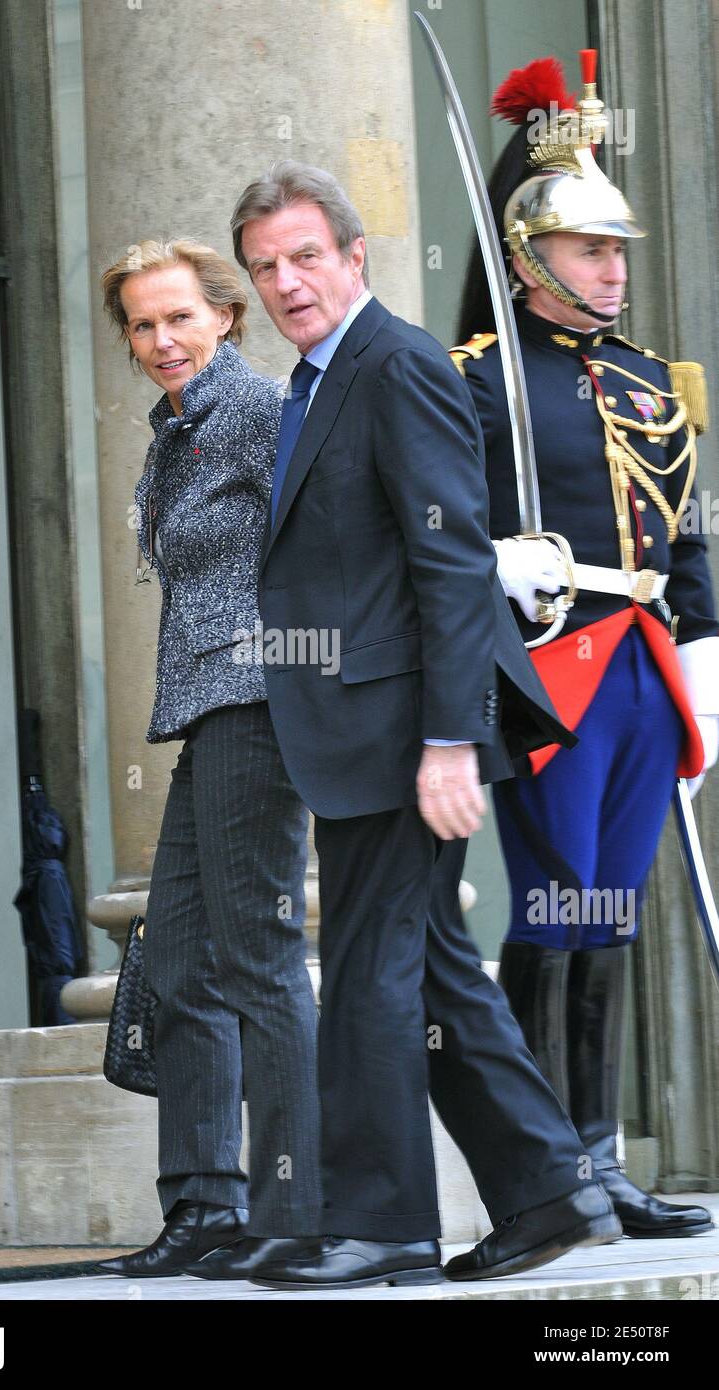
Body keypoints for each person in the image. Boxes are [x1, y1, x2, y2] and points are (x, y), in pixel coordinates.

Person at [213, 159, 622, 1291]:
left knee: (372, 975)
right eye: (264, 266)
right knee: (433, 967)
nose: (287, 281)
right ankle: (550, 1192)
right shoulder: (313, 378)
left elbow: (451, 564)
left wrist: (449, 740)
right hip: (368, 732)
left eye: (305, 255)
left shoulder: (394, 364)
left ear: (353, 256)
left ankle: (383, 1225)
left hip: (406, 734)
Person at [446, 55, 716, 1238]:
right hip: (549, 662)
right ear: (528, 257)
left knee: (609, 907)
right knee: (552, 907)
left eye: (616, 251)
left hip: (646, 665)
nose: (612, 269)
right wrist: (493, 564)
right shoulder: (474, 379)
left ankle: (601, 1159)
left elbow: (690, 531)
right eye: (588, 251)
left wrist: (705, 647)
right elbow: (441, 534)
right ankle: (547, 1166)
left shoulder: (658, 382)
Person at [95, 239, 322, 1278]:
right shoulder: (174, 434)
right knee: (181, 960)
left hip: (259, 699)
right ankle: (202, 1204)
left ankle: (292, 1205)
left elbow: (333, 539)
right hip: (204, 708)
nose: (161, 340)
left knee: (256, 958)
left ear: (225, 315)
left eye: (179, 316)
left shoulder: (262, 410)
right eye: (142, 324)